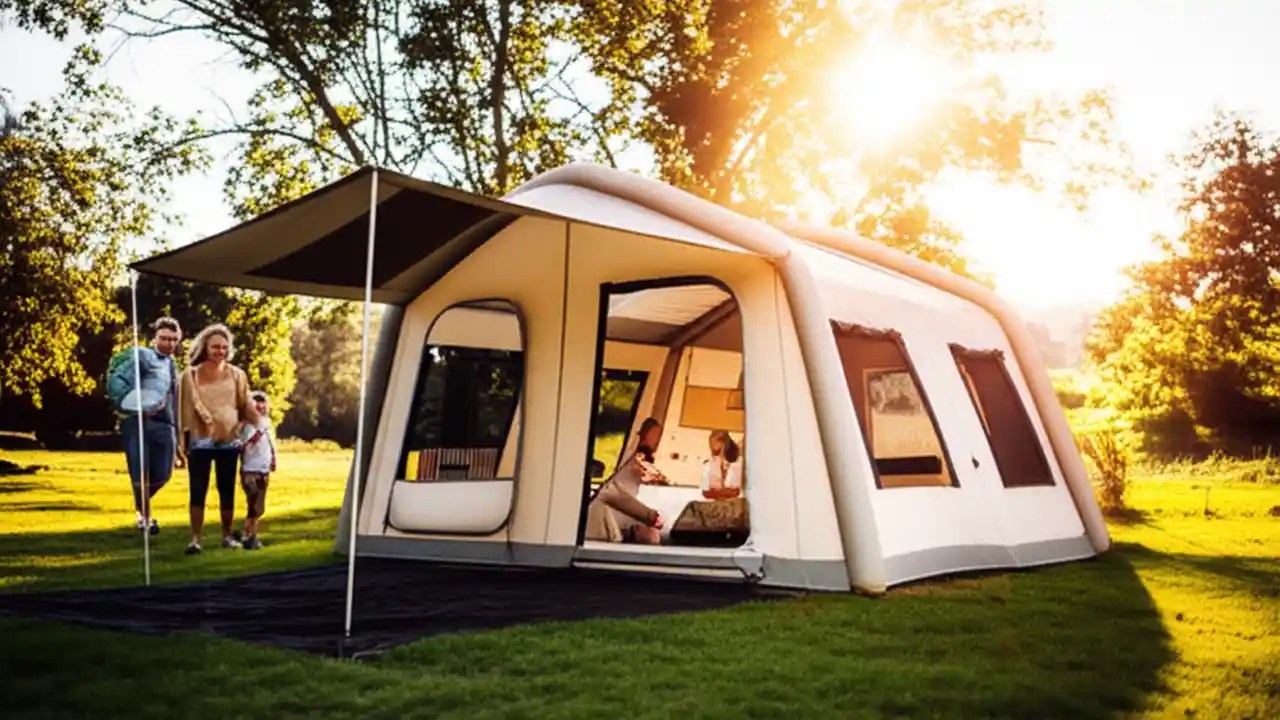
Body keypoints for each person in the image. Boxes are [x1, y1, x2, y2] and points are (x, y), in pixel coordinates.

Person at [178, 324, 258, 555]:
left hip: (229, 440)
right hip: (200, 440)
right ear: (205, 347)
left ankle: (227, 535)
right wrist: (181, 443)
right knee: (197, 490)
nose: (220, 351)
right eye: (215, 347)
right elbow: (183, 410)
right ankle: (195, 539)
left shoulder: (237, 375)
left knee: (226, 489)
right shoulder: (190, 375)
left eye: (224, 347)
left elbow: (245, 407)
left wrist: (247, 427)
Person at [107, 317, 184, 535]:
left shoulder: (172, 365)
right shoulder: (141, 357)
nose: (168, 343)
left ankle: (140, 504)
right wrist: (136, 406)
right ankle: (145, 518)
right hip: (137, 423)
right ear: (154, 339)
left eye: (172, 340)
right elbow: (120, 381)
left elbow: (174, 398)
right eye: (164, 338)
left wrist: (179, 435)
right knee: (139, 472)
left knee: (164, 473)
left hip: (165, 425)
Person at [584, 417, 668, 544]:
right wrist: (651, 517)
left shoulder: (640, 460)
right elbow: (613, 493)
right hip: (608, 522)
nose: (658, 440)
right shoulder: (632, 459)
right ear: (644, 434)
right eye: (655, 435)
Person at [236, 390, 276, 550]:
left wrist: (273, 459)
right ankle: (250, 535)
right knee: (253, 501)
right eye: (256, 402)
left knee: (259, 505)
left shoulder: (268, 423)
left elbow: (271, 443)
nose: (259, 405)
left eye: (262, 402)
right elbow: (241, 442)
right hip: (249, 469)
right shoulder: (245, 424)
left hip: (263, 468)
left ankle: (250, 534)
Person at [699, 430, 743, 500]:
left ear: (722, 443)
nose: (710, 446)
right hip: (713, 504)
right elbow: (704, 491)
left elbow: (736, 491)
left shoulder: (738, 463)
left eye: (713, 443)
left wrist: (717, 491)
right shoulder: (706, 464)